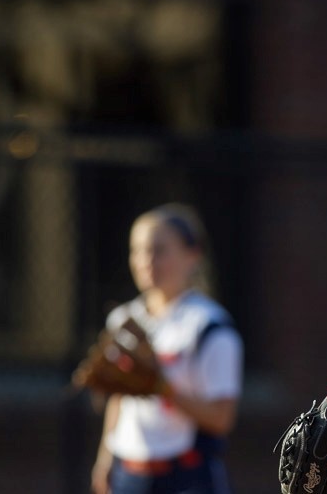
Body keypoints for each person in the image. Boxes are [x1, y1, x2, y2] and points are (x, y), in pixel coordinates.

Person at [91, 203, 242, 494]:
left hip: (185, 475)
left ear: (192, 255)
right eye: (137, 250)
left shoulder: (208, 326)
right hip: (128, 475)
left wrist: (163, 388)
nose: (146, 261)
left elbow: (222, 419)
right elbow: (119, 398)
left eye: (159, 250)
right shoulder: (123, 320)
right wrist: (104, 460)